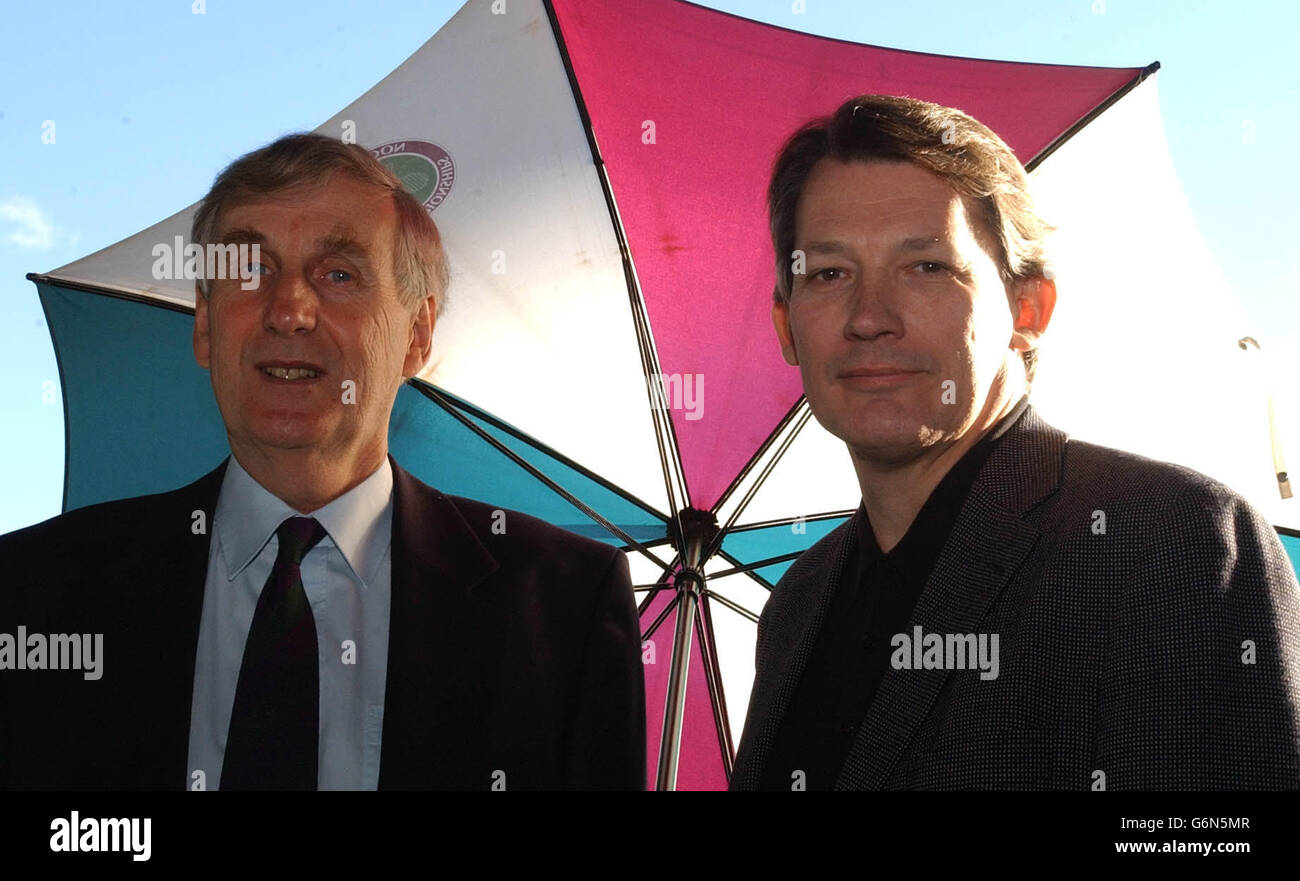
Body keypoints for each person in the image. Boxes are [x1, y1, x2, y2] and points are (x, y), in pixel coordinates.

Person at [0, 133, 645, 790]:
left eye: (338, 273)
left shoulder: (565, 610)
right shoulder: (28, 592)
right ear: (203, 323)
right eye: (251, 271)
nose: (289, 309)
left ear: (417, 336)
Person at [729, 94, 1300, 790]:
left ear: (1029, 309)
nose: (869, 317)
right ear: (788, 327)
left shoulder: (1173, 539)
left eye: (926, 266)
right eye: (828, 273)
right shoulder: (794, 606)